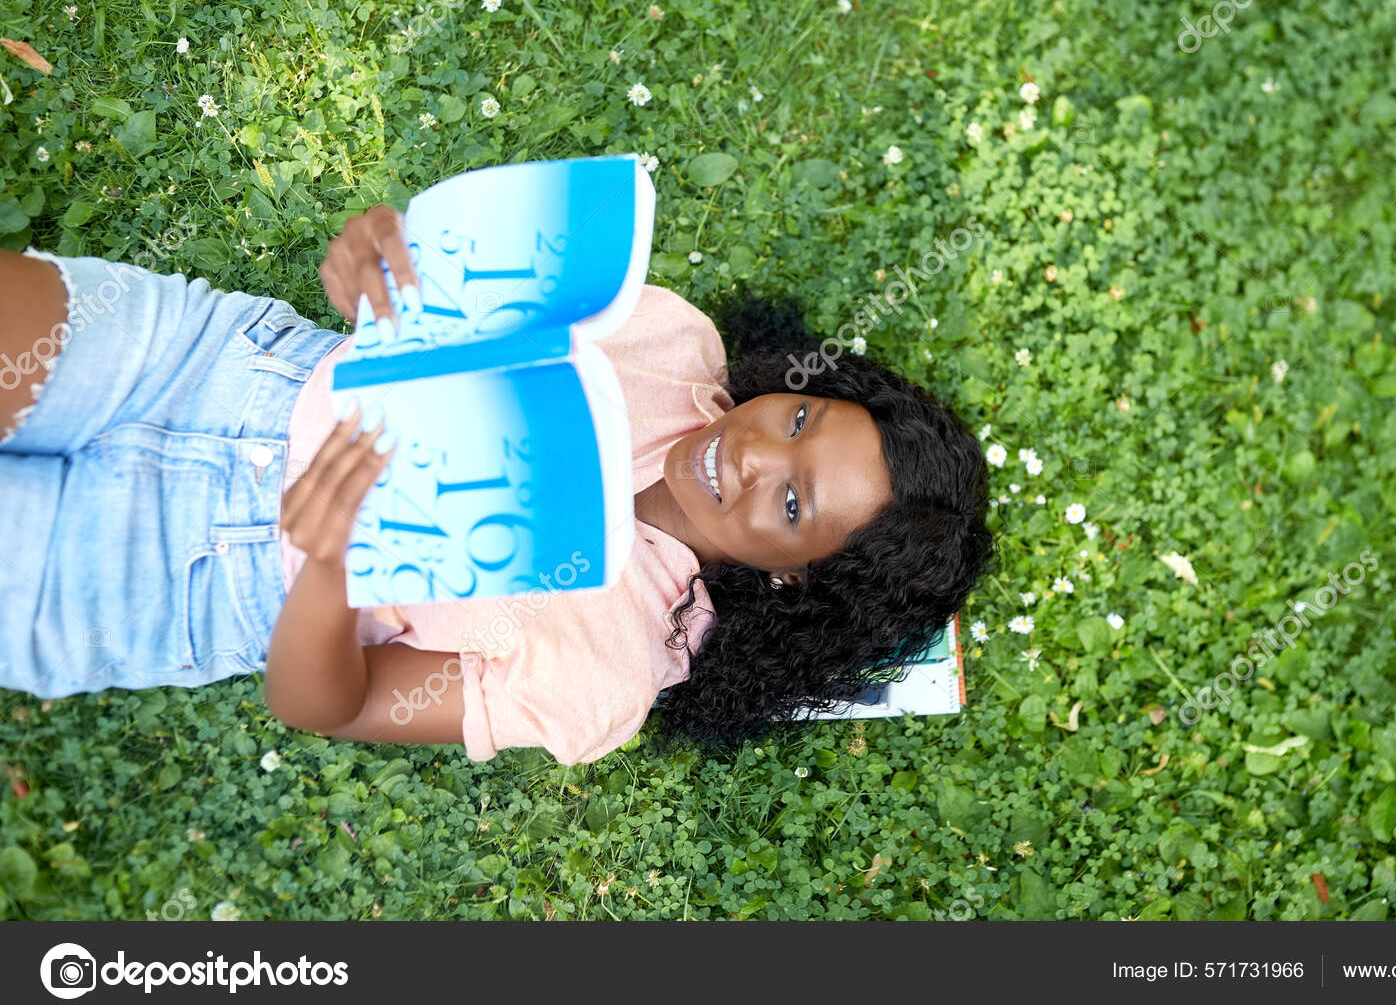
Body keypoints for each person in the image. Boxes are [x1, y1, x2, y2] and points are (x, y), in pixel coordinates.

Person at [0, 204, 994, 764]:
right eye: (799, 421)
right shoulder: (666, 341)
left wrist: (325, 570)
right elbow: (433, 309)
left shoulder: (604, 678)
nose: (753, 454)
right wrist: (375, 278)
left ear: (795, 581)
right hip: (214, 365)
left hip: (178, 581)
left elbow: (330, 704)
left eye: (792, 505)